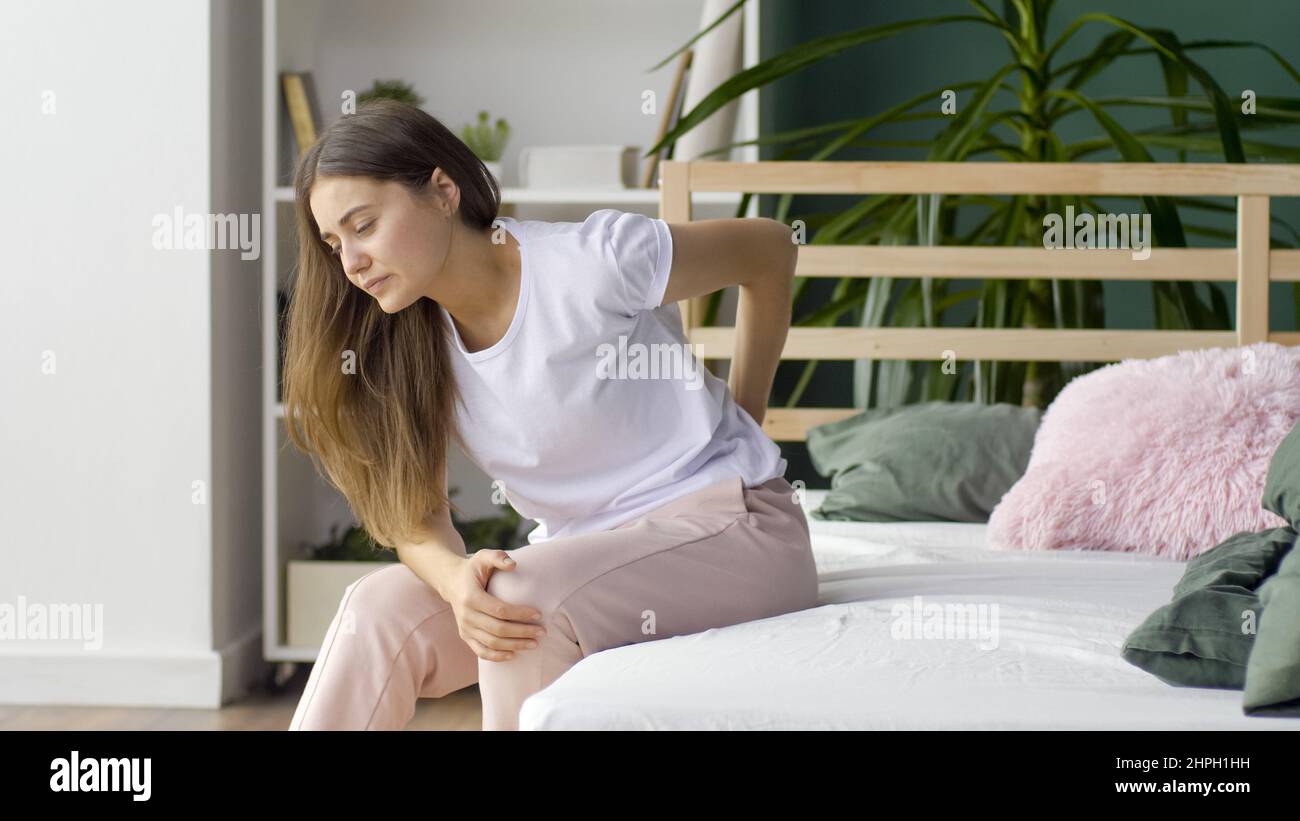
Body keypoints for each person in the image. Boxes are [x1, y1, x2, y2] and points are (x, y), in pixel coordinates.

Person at [283, 99, 817, 731]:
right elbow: (416, 521)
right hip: (587, 562)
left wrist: (746, 416)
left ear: (443, 191)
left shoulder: (593, 261)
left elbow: (770, 250)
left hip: (736, 532)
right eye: (334, 243)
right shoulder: (407, 341)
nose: (351, 262)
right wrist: (456, 582)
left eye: (364, 225)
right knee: (376, 607)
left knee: (518, 597)